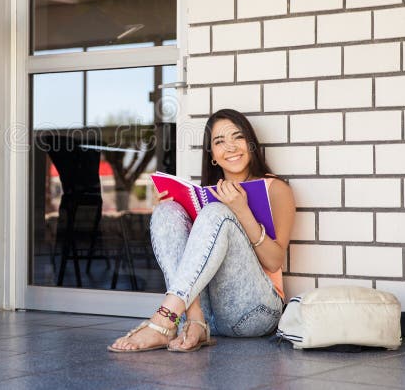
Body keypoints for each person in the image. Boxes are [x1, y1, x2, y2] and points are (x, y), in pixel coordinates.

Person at [108, 108, 296, 352]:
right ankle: (195, 321)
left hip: (254, 313)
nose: (230, 147)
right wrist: (171, 210)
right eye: (219, 141)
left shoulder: (276, 188)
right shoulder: (203, 196)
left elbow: (274, 261)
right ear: (212, 155)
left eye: (238, 137)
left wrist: (242, 211)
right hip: (204, 317)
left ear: (251, 144)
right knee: (167, 211)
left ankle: (164, 320)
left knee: (216, 211)